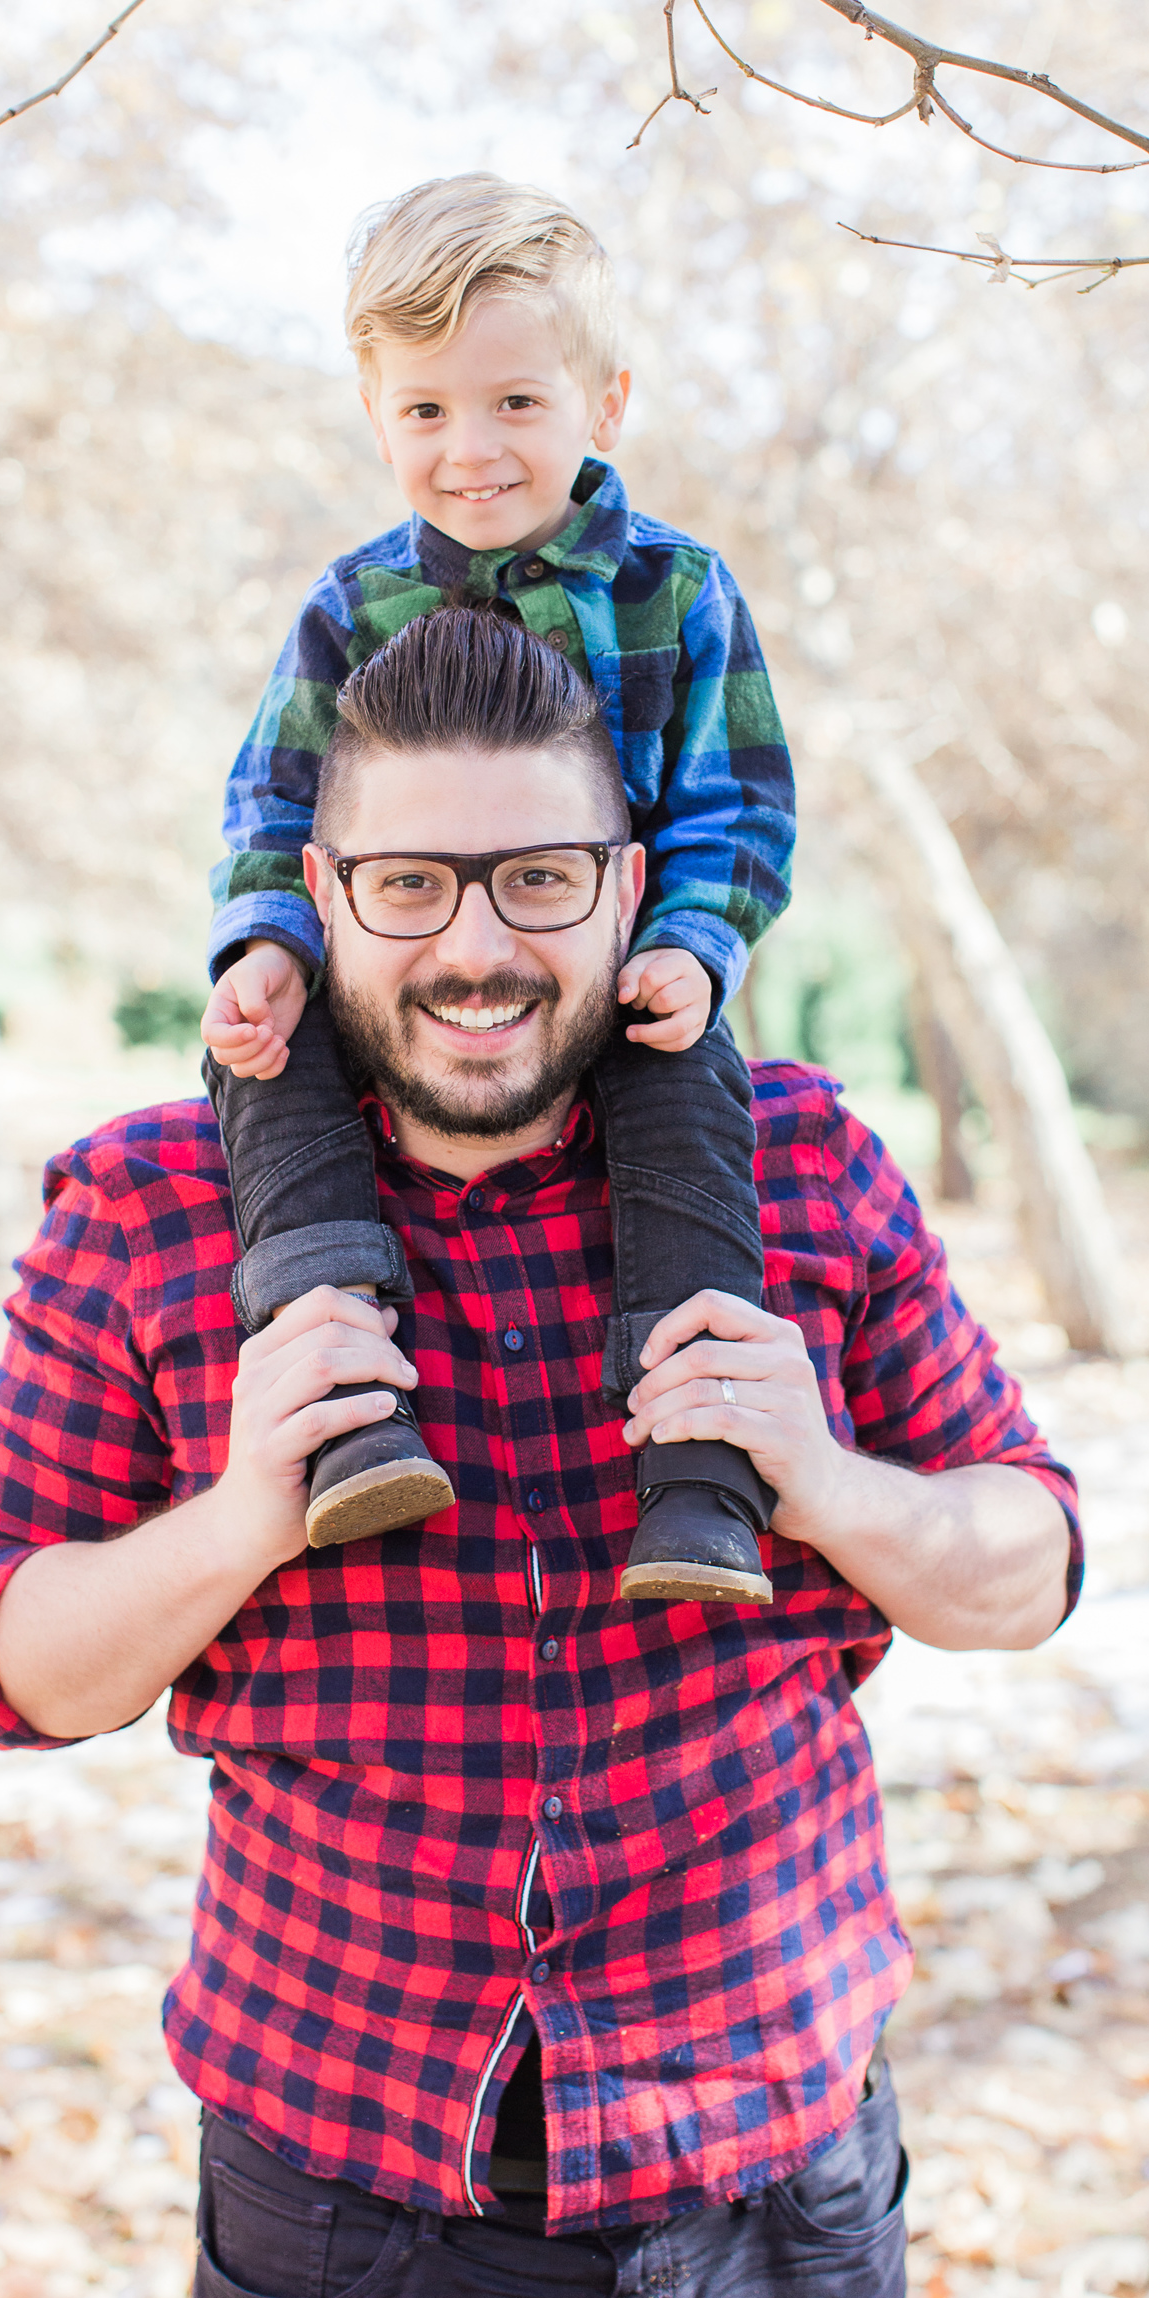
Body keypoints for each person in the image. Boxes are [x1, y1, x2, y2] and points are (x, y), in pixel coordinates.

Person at [0, 606, 1082, 2298]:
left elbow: (1035, 1562)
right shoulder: (153, 1211)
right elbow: (3, 1668)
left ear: (633, 889)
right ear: (315, 890)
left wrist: (830, 1483)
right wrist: (245, 1507)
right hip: (348, 2204)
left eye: (538, 878)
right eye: (409, 887)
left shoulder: (807, 1177)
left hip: (774, 2182)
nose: (476, 946)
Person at [198, 174, 795, 1605]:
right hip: (396, 977)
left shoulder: (675, 590)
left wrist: (692, 947)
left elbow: (739, 802)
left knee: (688, 1113)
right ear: (377, 415)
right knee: (263, 1070)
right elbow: (278, 810)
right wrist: (271, 940)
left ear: (605, 403)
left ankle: (703, 1476)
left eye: (515, 404)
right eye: (426, 412)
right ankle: (349, 1403)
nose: (470, 451)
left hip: (606, 982)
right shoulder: (349, 609)